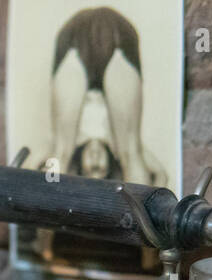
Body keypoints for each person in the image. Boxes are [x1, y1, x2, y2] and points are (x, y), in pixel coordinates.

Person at [43, 6, 166, 186]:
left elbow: (26, 167)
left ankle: (47, 203)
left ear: (79, 169)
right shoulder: (115, 146)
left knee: (60, 151)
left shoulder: (69, 145)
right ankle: (135, 205)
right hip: (117, 32)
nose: (95, 161)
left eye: (90, 170)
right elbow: (161, 174)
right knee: (131, 152)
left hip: (73, 35)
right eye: (100, 169)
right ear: (110, 169)